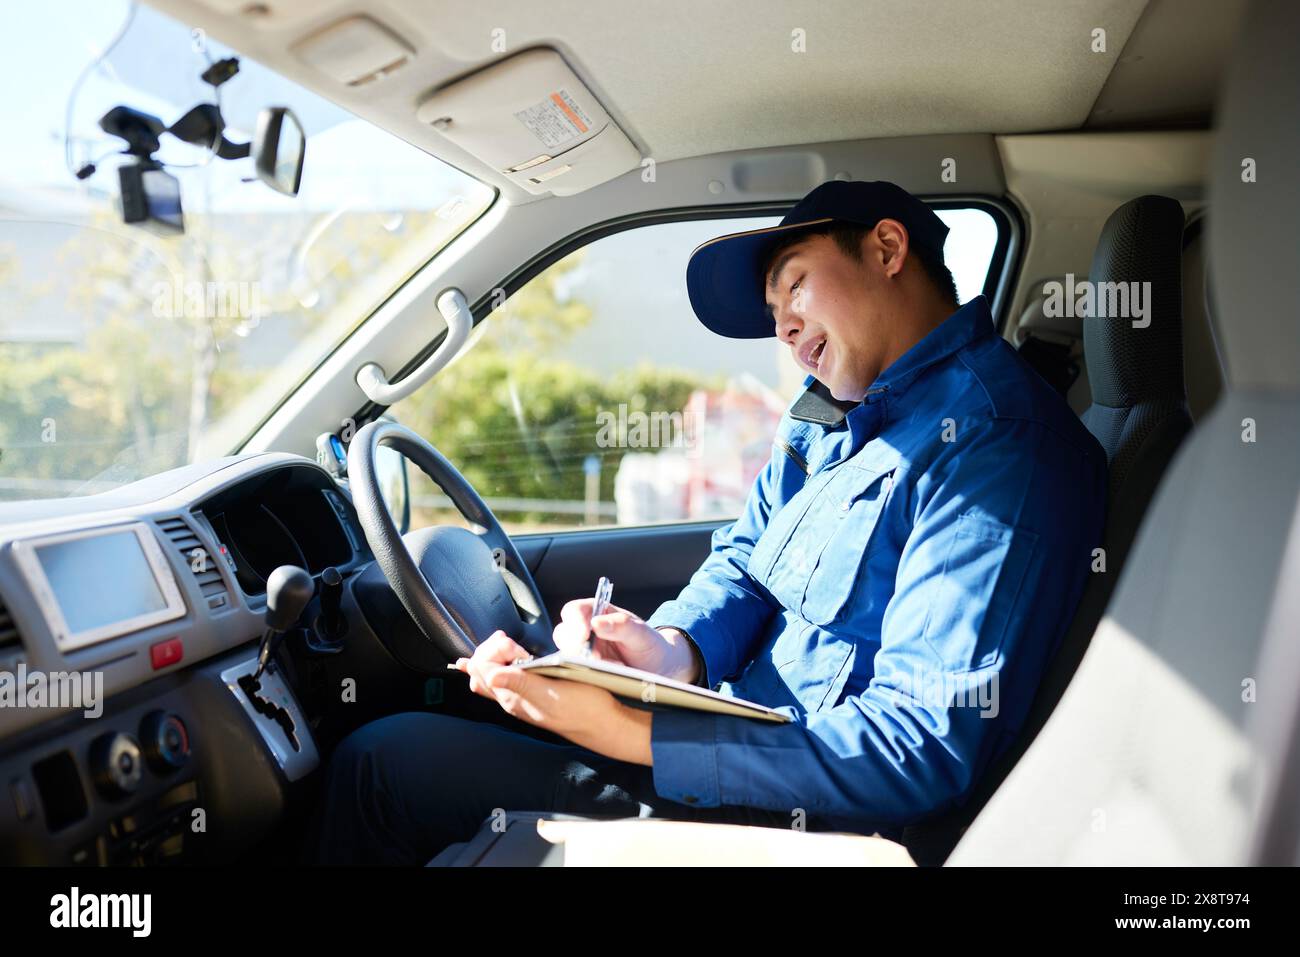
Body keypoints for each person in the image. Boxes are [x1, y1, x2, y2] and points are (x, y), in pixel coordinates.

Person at [307, 180, 1106, 865]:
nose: (784, 328)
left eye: (795, 285)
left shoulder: (996, 442)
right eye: (774, 312)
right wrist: (669, 650)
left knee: (385, 765)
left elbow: (920, 744)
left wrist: (635, 734)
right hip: (725, 756)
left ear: (888, 249)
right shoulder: (831, 419)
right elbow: (747, 560)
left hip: (809, 826)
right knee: (434, 719)